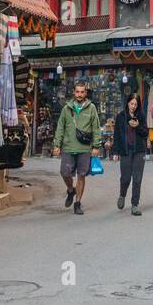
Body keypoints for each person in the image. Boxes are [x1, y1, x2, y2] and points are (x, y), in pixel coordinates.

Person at [51, 81, 101, 216]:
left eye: (82, 92)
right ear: (74, 92)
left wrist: (96, 146)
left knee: (81, 175)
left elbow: (96, 128)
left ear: (86, 93)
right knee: (64, 173)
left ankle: (77, 203)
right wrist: (57, 144)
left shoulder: (91, 108)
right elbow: (60, 127)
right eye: (77, 92)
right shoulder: (66, 109)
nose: (79, 94)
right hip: (68, 146)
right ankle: (70, 190)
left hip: (84, 148)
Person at [112, 93, 149, 216]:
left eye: (135, 104)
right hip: (126, 151)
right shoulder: (121, 116)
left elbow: (145, 133)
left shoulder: (141, 116)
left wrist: (138, 126)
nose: (133, 106)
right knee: (125, 178)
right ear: (127, 103)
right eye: (131, 103)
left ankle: (135, 205)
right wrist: (115, 152)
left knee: (137, 178)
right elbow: (116, 135)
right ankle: (122, 195)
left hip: (139, 151)